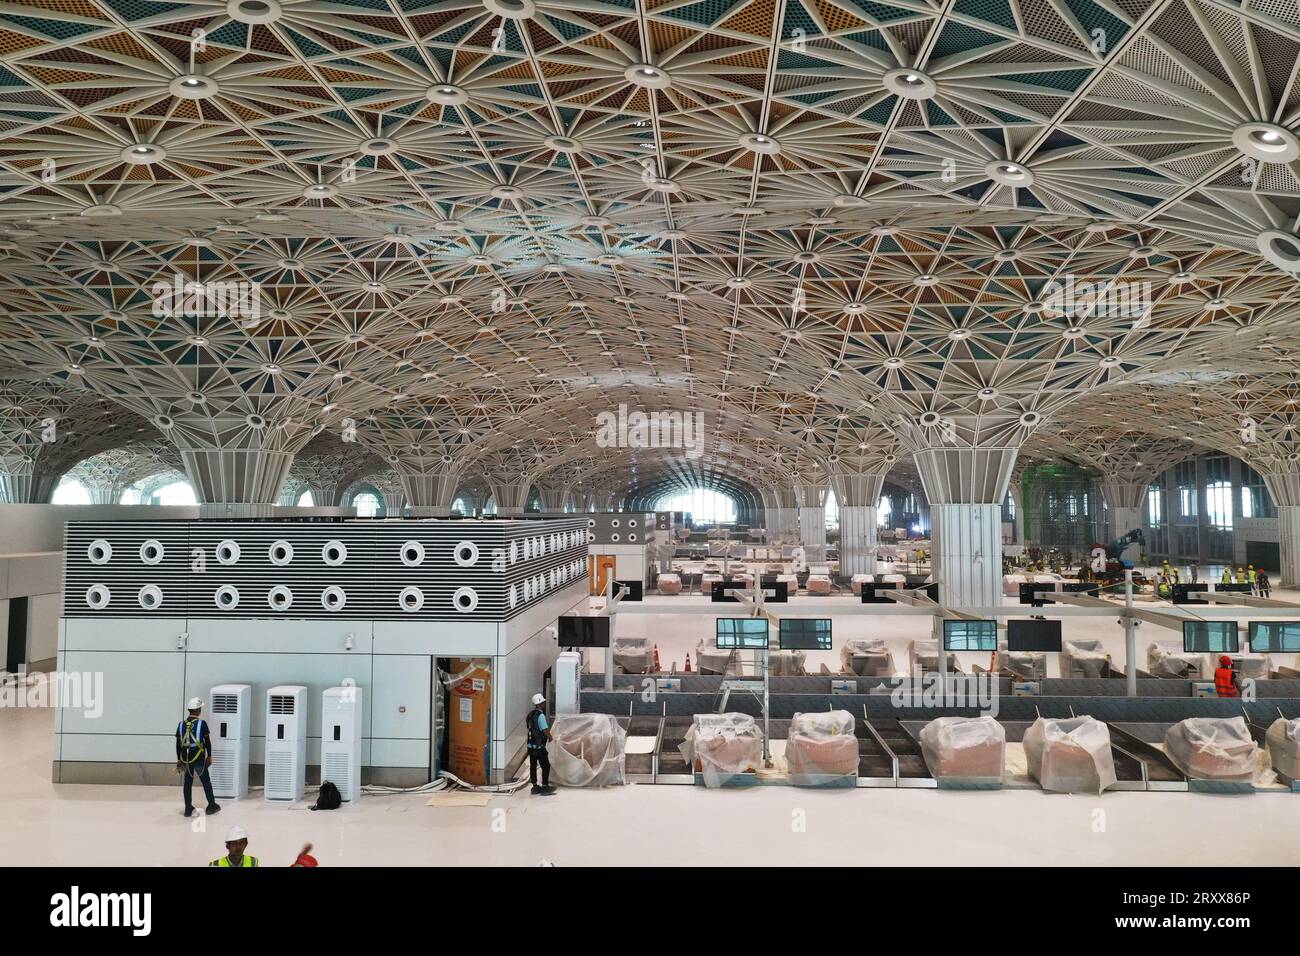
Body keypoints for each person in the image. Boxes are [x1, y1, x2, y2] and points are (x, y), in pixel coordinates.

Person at [176, 697, 220, 818]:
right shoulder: (202, 724)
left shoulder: (181, 725)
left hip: (186, 757)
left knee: (187, 782)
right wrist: (209, 756)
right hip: (198, 757)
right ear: (198, 710)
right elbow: (207, 741)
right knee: (206, 781)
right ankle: (211, 805)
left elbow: (178, 744)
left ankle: (188, 809)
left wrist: (179, 760)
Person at [526, 693, 555, 796]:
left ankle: (534, 786)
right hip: (539, 747)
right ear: (540, 704)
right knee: (546, 765)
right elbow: (545, 729)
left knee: (533, 766)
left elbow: (529, 728)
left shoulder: (530, 715)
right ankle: (545, 786)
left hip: (530, 746)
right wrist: (550, 737)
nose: (544, 703)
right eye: (543, 702)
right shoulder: (540, 716)